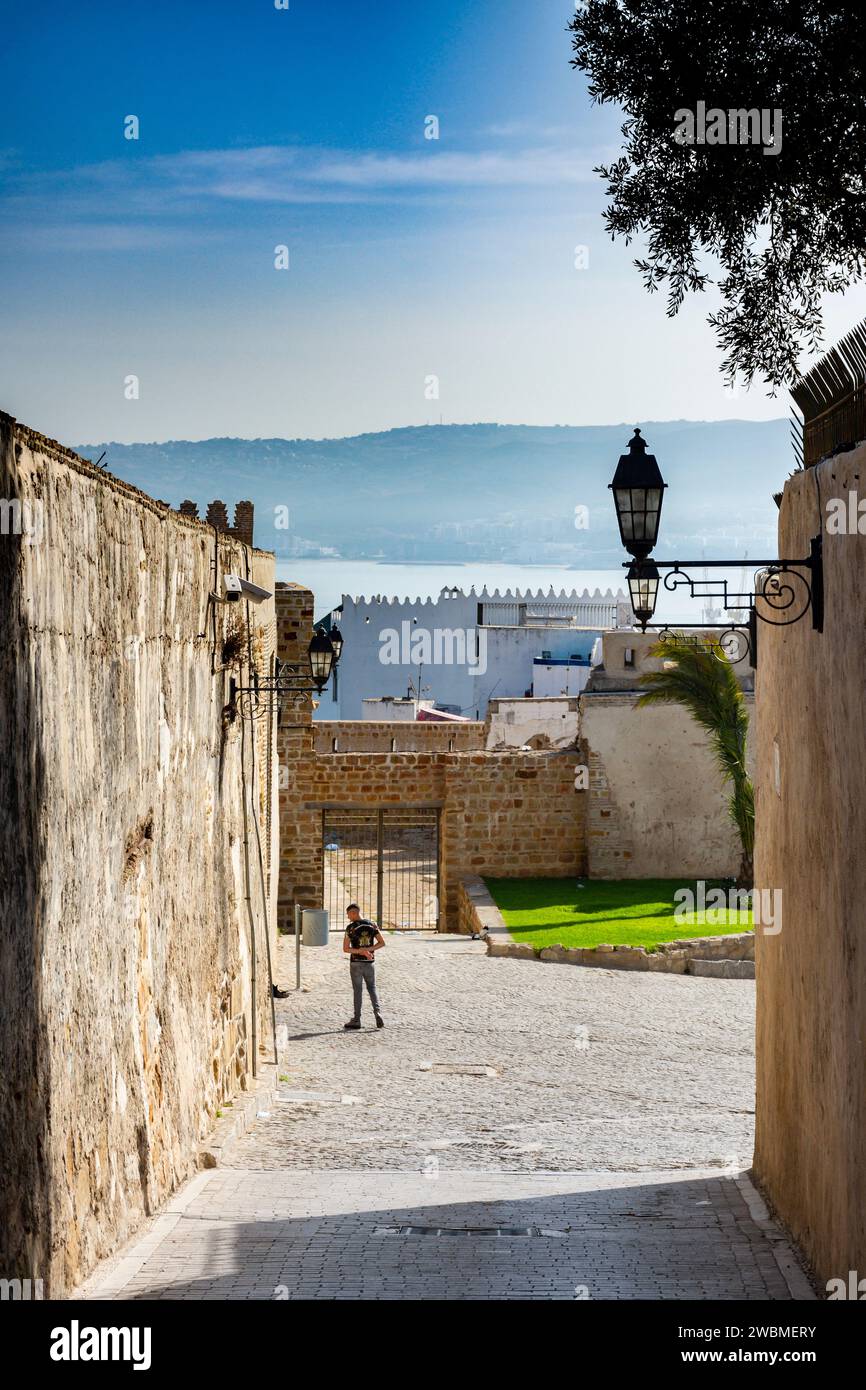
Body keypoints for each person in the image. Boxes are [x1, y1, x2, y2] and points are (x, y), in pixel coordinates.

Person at [343, 904, 385, 1030]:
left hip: (356, 963)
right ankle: (377, 1013)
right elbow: (382, 943)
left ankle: (356, 1020)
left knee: (358, 991)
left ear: (354, 913)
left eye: (348, 914)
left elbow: (345, 949)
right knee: (372, 988)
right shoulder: (372, 925)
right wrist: (369, 950)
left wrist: (360, 951)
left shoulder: (350, 928)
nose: (348, 917)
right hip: (370, 962)